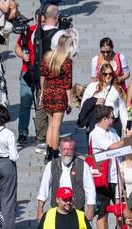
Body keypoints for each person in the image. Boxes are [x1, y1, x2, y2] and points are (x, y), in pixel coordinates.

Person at [36, 135, 98, 222]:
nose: (67, 152)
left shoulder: (83, 165)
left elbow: (90, 188)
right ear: (60, 149)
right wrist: (40, 210)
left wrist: (90, 209)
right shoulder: (51, 165)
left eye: (69, 149)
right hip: (57, 209)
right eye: (64, 149)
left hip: (77, 209)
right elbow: (44, 189)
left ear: (74, 150)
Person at [39, 28, 76, 156]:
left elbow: (42, 76)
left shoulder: (47, 56)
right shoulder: (66, 61)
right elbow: (68, 84)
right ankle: (54, 152)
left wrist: (42, 92)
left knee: (50, 125)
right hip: (59, 94)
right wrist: (70, 101)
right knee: (56, 125)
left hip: (48, 91)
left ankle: (48, 151)